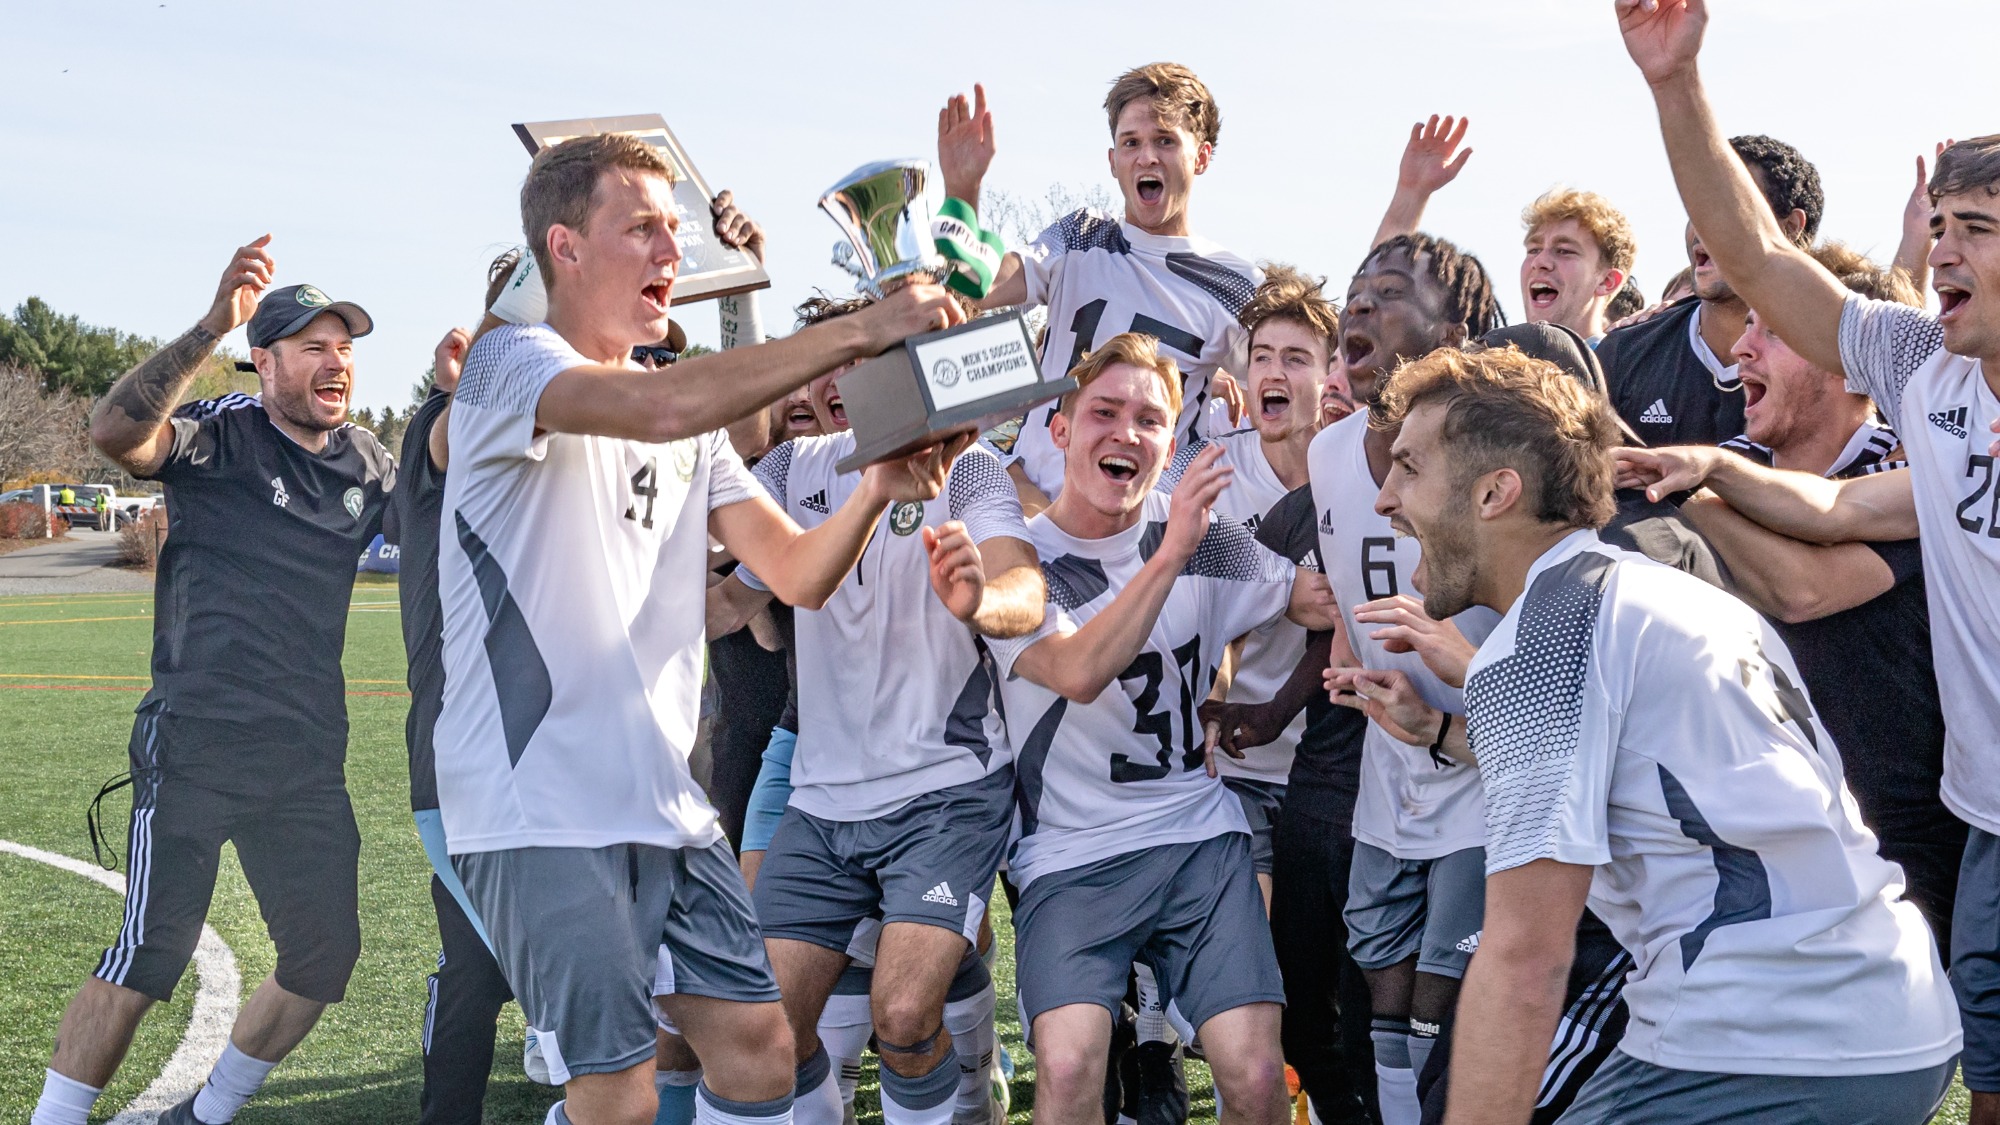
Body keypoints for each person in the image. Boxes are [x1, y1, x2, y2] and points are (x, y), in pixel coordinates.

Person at [433, 132, 969, 1125]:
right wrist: (862, 329)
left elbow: (797, 573)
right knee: (619, 1092)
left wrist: (875, 488)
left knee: (759, 1054)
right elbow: (662, 404)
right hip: (537, 803)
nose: (671, 249)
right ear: (563, 248)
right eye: (640, 227)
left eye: (673, 229)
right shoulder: (509, 362)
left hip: (663, 803)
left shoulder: (688, 427)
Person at [1371, 340, 1961, 1124]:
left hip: (1770, 1041)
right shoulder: (1668, 593)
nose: (1384, 498)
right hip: (1897, 1018)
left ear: (1494, 493)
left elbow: (1524, 958)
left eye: (1408, 467)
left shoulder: (1543, 640)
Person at [1613, 4, 2000, 1118]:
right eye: (1938, 225)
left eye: (1975, 227)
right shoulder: (1926, 371)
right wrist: (1675, 83)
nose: (1941, 251)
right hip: (1985, 817)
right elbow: (1759, 257)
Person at [32, 238, 393, 1125]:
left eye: (344, 347)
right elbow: (117, 434)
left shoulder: (368, 463)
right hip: (196, 740)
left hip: (305, 756)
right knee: (150, 952)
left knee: (323, 956)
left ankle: (206, 1113)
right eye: (312, 347)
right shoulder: (223, 432)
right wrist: (209, 326)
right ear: (263, 361)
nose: (336, 362)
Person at [987, 332, 1334, 1125]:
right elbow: (1078, 670)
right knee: (1068, 1064)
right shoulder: (1023, 561)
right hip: (1071, 852)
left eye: (1148, 419)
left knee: (1255, 1073)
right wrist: (1172, 553)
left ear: (1170, 444)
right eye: (1104, 412)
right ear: (1060, 430)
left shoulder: (1203, 537)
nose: (1126, 433)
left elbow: (1317, 599)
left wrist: (1253, 702)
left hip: (1196, 835)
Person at [721, 332, 1043, 1125]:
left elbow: (1025, 588)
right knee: (767, 1026)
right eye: (832, 362)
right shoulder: (790, 471)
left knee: (902, 1013)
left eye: (866, 363)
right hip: (823, 799)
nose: (842, 380)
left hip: (947, 792)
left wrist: (981, 600)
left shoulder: (966, 466)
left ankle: (972, 1094)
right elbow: (729, 602)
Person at [1658, 247, 1964, 947]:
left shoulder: (1917, 468)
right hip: (1756, 854)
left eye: (1772, 330)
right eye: (1746, 327)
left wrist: (1686, 496)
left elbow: (1800, 589)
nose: (1741, 350)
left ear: (1845, 360)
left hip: (1902, 853)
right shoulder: (1727, 466)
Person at [1310, 232, 1501, 1125]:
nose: (1359, 305)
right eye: (1355, 291)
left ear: (1452, 334)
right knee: (1382, 986)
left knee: (1440, 999)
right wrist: (1349, 650)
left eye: (1387, 293)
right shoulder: (1327, 453)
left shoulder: (1492, 454)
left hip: (1484, 767)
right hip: (1387, 774)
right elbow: (1348, 586)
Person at [937, 66, 1261, 504]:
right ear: (1112, 161)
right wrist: (963, 191)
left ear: (1201, 157)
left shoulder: (1236, 284)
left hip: (1141, 528)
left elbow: (1285, 397)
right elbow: (980, 284)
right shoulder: (1082, 234)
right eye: (1131, 143)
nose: (1146, 157)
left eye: (1165, 141)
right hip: (1033, 511)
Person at [1593, 123, 1822, 449]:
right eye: (1697, 206)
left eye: (1728, 206)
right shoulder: (1625, 354)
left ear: (1790, 227)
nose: (1704, 224)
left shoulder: (1834, 363)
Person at [1518, 191, 1636, 344]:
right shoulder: (1495, 356)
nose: (1539, 262)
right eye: (1534, 250)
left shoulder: (1631, 359)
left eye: (1563, 251)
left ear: (1607, 281)